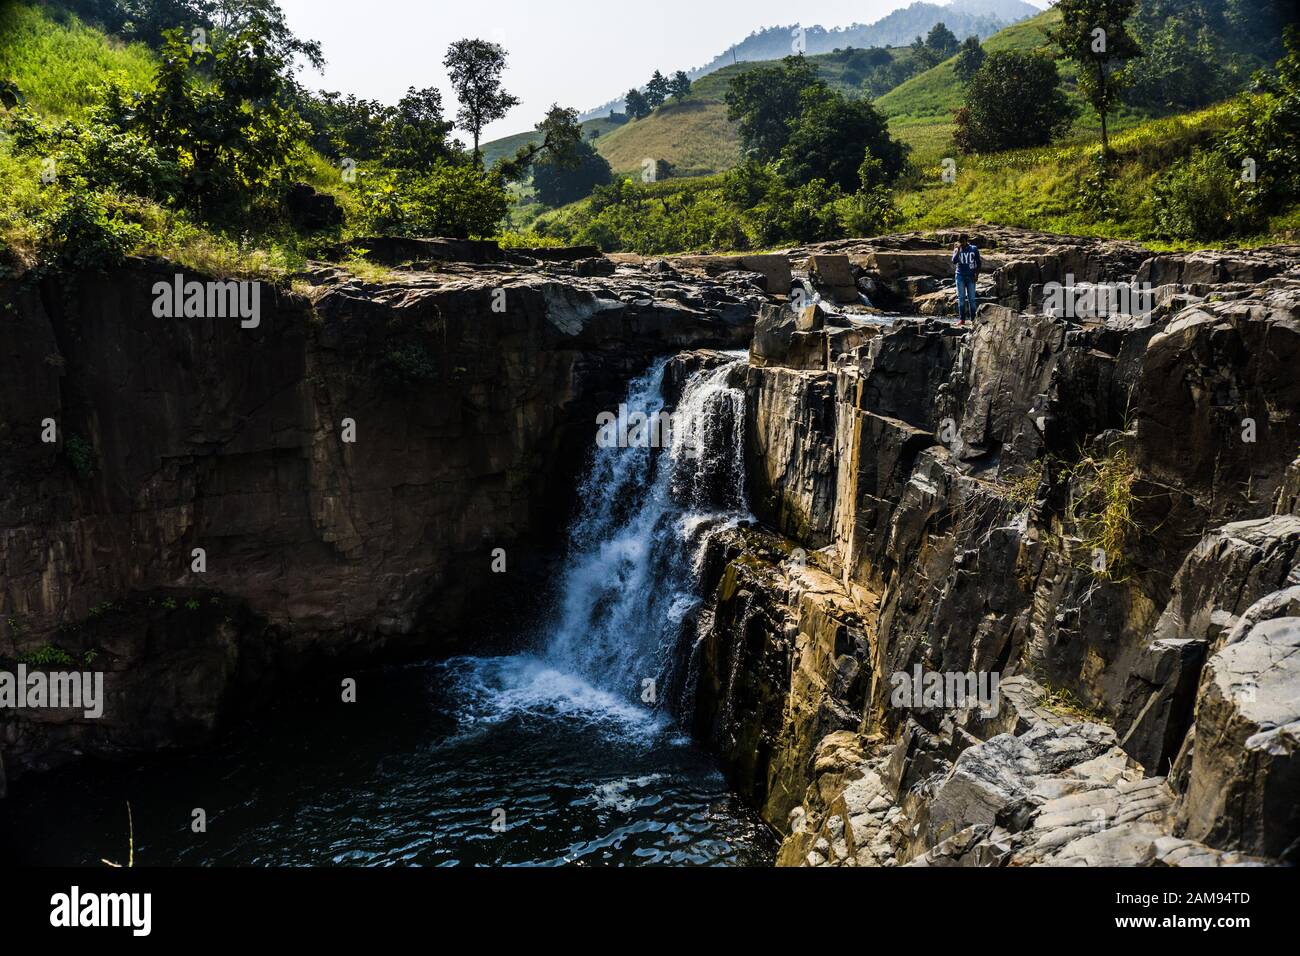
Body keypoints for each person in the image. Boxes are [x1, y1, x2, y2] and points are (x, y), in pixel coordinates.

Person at [951, 234, 982, 327]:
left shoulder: (974, 249)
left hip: (971, 276)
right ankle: (962, 320)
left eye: (963, 241)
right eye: (960, 242)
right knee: (961, 299)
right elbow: (954, 261)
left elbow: (979, 262)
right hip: (960, 276)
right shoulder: (957, 249)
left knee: (971, 299)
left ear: (966, 240)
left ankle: (973, 319)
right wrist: (958, 251)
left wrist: (977, 275)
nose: (961, 243)